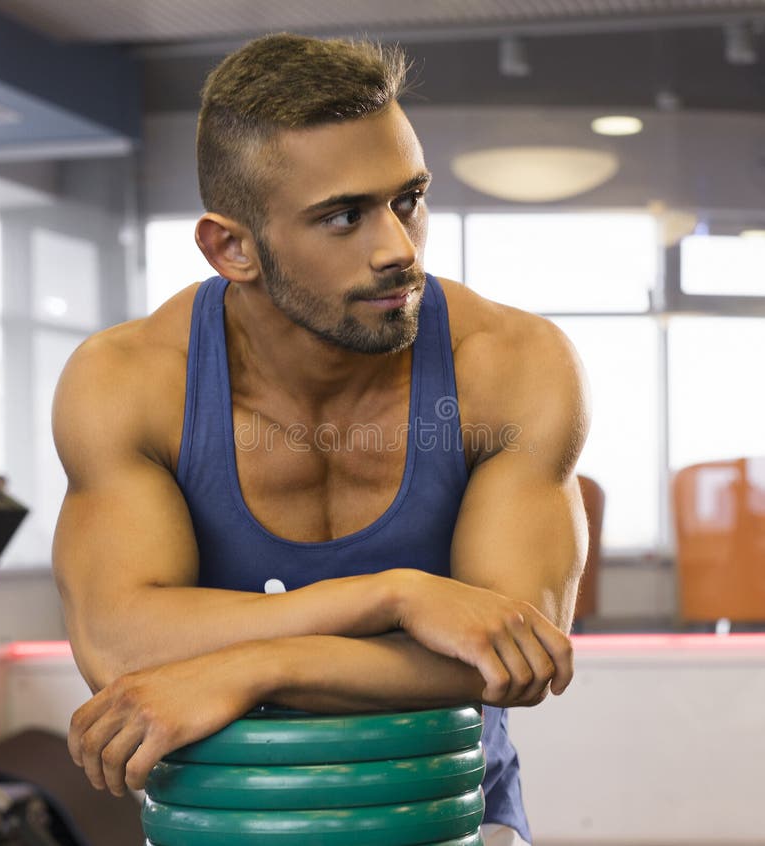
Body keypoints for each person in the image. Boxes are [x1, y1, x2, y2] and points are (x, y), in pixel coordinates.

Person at [52, 33, 589, 846]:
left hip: (449, 805)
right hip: (225, 814)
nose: (398, 250)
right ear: (231, 247)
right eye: (344, 217)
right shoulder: (127, 381)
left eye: (408, 198)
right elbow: (120, 642)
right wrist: (398, 597)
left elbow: (514, 654)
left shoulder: (513, 365)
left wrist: (252, 663)